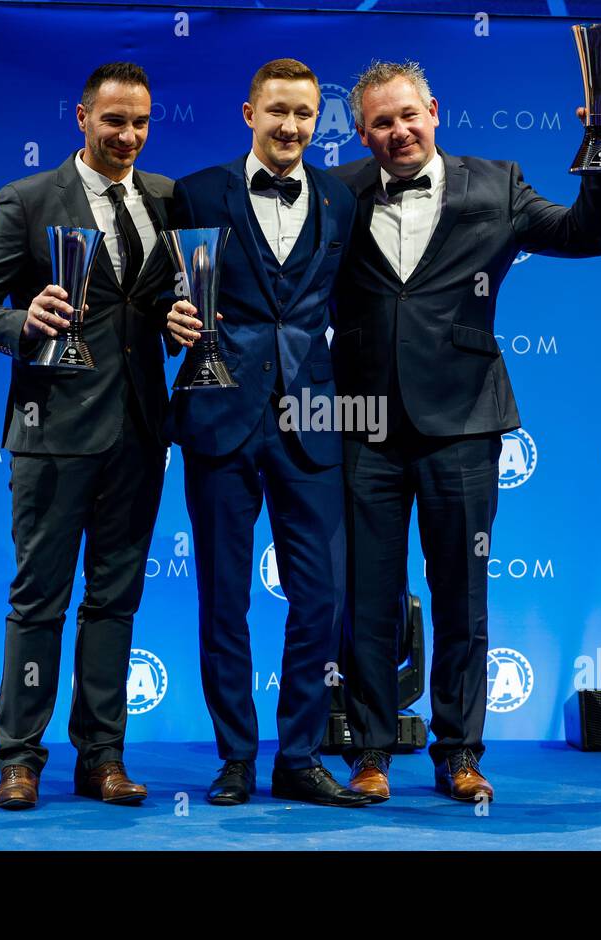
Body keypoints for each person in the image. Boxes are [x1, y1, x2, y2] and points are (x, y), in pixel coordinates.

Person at [330, 60, 601, 802]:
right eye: (380, 123)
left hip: (463, 420)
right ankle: (370, 751)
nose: (397, 132)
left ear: (434, 110)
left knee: (461, 593)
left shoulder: (497, 182)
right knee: (370, 597)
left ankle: (459, 751)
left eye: (408, 116)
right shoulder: (335, 192)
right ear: (361, 133)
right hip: (360, 421)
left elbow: (586, 234)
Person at [0, 62, 176, 810]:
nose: (129, 136)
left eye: (140, 122)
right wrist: (25, 322)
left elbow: (170, 308)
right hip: (51, 433)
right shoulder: (28, 200)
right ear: (82, 119)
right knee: (38, 600)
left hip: (142, 433)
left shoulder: (167, 201)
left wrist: (182, 325)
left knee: (115, 601)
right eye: (114, 121)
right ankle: (19, 756)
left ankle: (102, 756)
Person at [164, 59, 370, 807]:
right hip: (218, 412)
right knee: (224, 597)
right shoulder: (195, 191)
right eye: (277, 111)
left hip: (314, 416)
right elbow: (166, 293)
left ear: (321, 122)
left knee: (322, 596)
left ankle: (302, 755)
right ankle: (236, 759)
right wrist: (171, 318)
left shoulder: (342, 201)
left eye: (306, 115)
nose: (291, 127)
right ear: (248, 113)